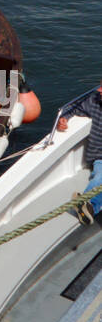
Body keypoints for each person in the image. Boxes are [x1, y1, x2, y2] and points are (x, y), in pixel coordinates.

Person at [57, 83, 102, 223]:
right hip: (100, 156)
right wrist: (63, 119)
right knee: (100, 177)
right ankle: (88, 206)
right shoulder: (94, 100)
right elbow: (71, 108)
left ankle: (87, 206)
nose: (99, 90)